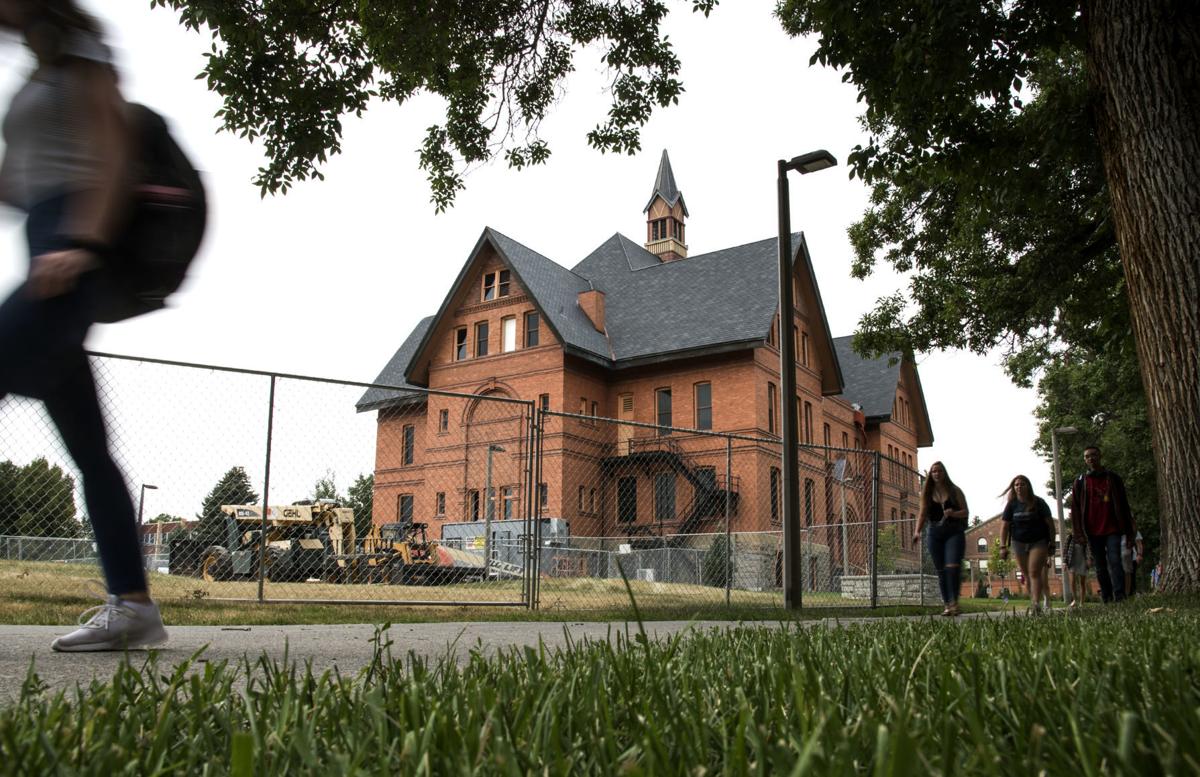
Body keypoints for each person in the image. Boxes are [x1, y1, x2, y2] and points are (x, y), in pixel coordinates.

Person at [0, 0, 167, 650]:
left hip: (70, 255)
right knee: (91, 452)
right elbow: (21, 180)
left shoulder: (85, 58)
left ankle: (131, 603)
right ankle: (133, 604)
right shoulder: (37, 77)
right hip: (50, 244)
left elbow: (113, 152)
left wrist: (86, 242)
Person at [1070, 446, 1136, 603]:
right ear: (1084, 460)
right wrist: (1078, 533)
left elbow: (1124, 506)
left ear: (1100, 456)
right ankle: (1106, 597)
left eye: (1093, 455)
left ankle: (1119, 596)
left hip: (1113, 528)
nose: (1090, 458)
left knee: (1115, 561)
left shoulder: (1113, 479)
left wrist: (1129, 533)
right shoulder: (1080, 482)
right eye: (1087, 456)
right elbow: (1076, 509)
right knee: (1099, 565)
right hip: (1092, 531)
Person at [913, 461, 969, 616]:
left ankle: (954, 602)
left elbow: (965, 511)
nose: (937, 474)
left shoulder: (955, 491)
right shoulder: (927, 493)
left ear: (944, 473)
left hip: (954, 532)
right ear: (931, 475)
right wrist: (917, 532)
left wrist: (953, 513)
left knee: (952, 567)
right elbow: (923, 514)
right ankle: (947, 605)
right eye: (934, 472)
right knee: (941, 571)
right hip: (934, 533)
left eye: (939, 471)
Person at [999, 475, 1056, 614]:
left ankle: (1036, 604)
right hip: (1018, 542)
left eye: (1022, 484)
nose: (1019, 487)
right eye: (1016, 485)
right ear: (1014, 488)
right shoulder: (1012, 505)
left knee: (1034, 572)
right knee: (1026, 574)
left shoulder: (1038, 502)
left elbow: (1050, 524)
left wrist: (1052, 542)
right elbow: (1004, 526)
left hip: (1038, 541)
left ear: (1028, 486)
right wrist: (1002, 546)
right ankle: (1034, 601)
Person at [1121, 530, 1144, 596]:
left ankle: (1131, 594)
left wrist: (1139, 555)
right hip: (1118, 558)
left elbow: (1139, 543)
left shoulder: (1133, 529)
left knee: (1132, 578)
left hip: (1131, 558)